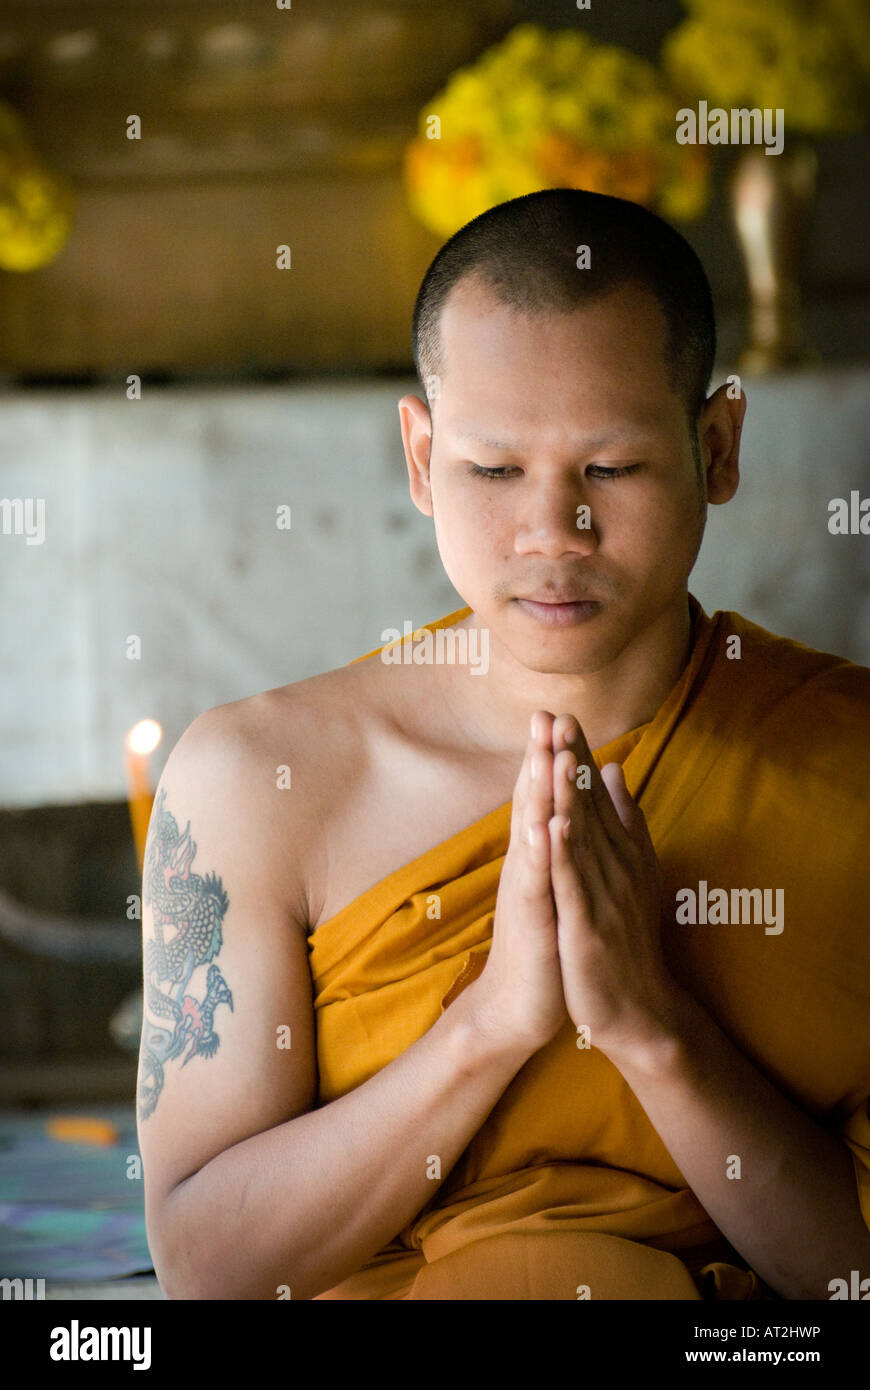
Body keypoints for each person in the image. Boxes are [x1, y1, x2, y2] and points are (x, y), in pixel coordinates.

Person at [137, 188, 870, 1301]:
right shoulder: (257, 783)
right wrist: (490, 1024)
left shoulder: (844, 764)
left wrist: (652, 1026)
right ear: (422, 459)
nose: (552, 535)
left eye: (611, 470)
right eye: (493, 471)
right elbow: (206, 1267)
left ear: (716, 447)